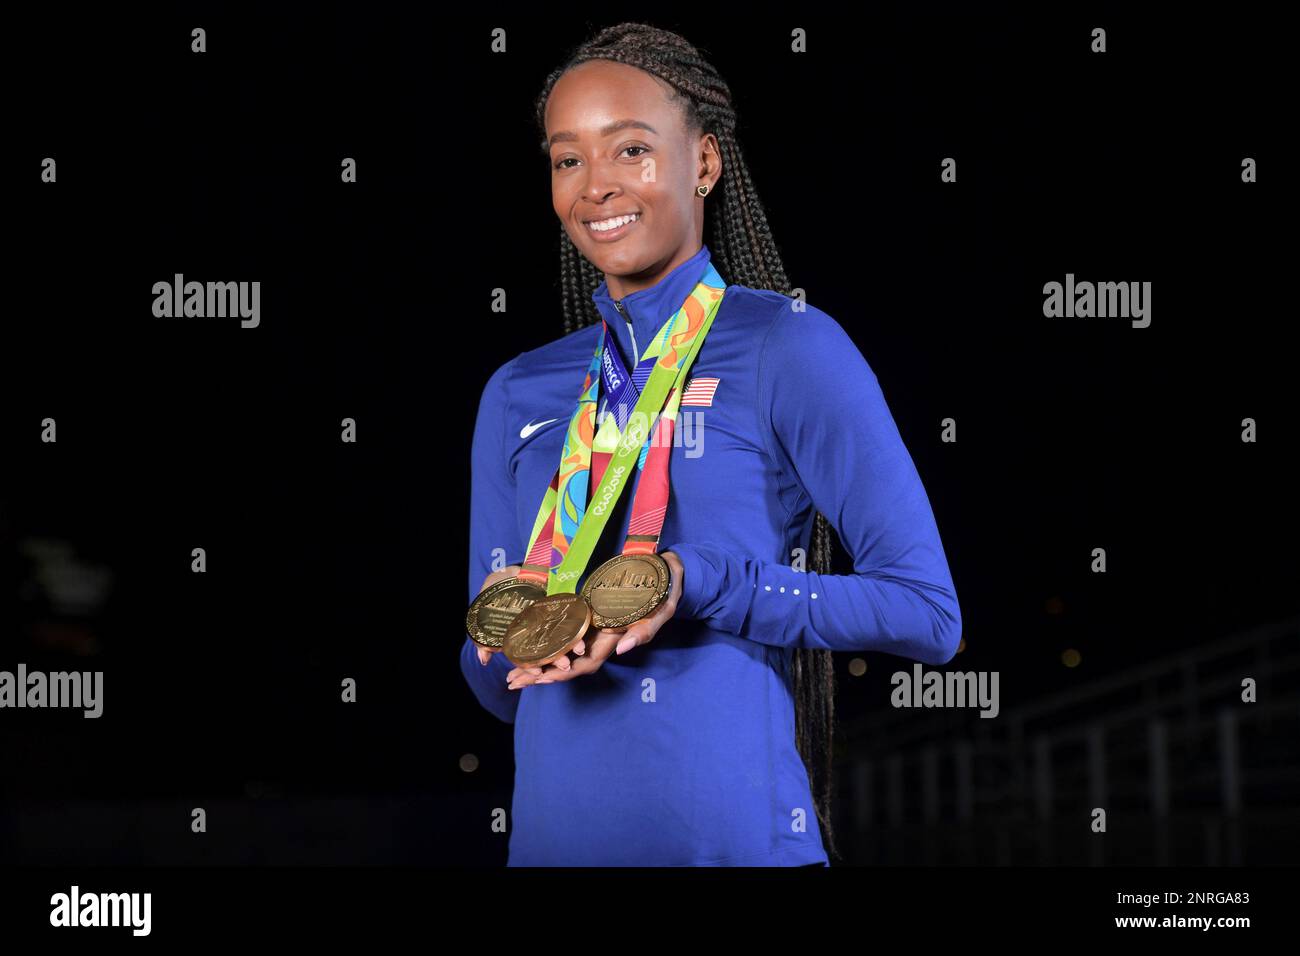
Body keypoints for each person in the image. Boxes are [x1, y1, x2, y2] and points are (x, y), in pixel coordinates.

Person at [459, 22, 961, 866]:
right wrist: (510, 631)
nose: (595, 186)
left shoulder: (788, 346)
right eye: (567, 158)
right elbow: (498, 693)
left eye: (630, 149)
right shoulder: (520, 389)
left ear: (703, 162)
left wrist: (701, 583)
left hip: (735, 848)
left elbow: (928, 614)